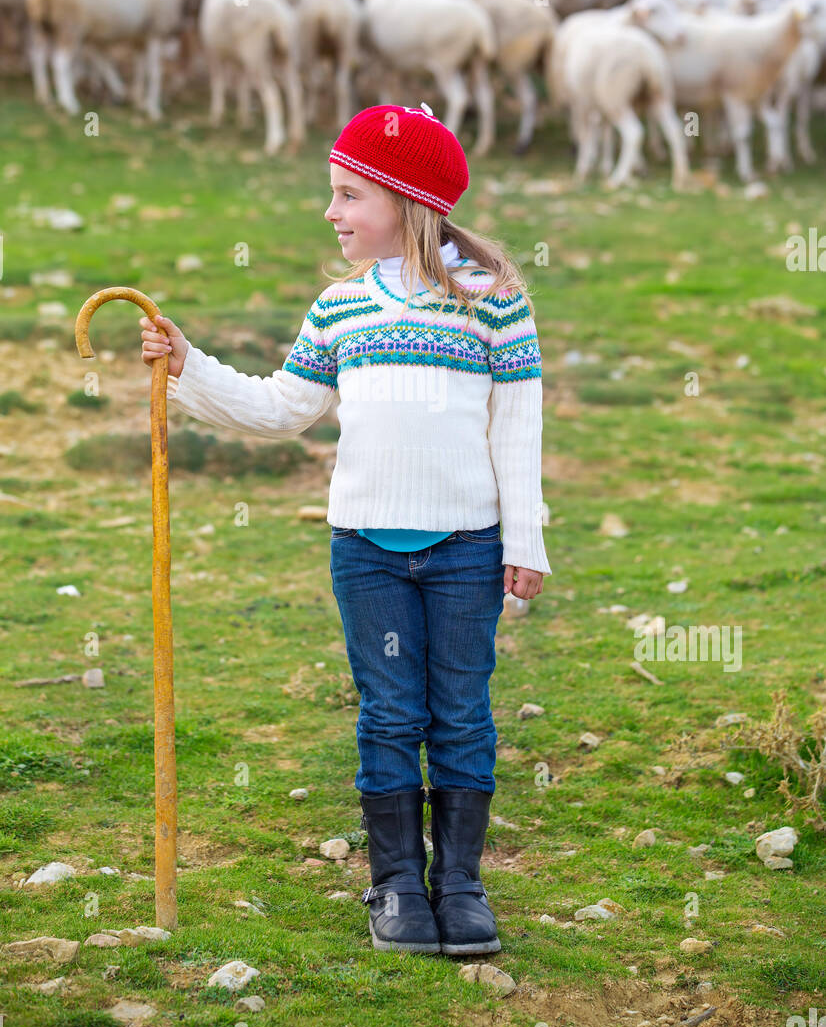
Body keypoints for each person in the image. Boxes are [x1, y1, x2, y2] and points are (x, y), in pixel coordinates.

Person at [139, 102, 551, 958]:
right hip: (365, 552)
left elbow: (516, 430)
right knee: (391, 714)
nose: (332, 212)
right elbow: (282, 407)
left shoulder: (493, 304)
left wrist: (525, 541)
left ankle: (463, 887)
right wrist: (189, 365)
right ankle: (398, 886)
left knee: (463, 713)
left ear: (407, 202)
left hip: (467, 546)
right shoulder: (341, 309)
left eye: (348, 194)